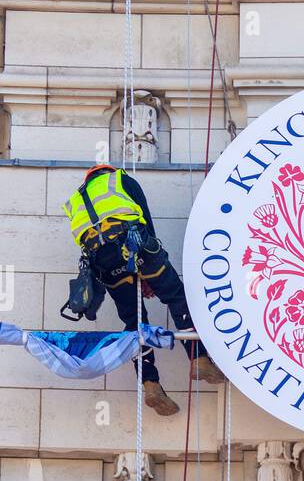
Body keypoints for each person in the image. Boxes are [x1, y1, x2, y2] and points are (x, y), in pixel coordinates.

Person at [62, 164, 222, 415]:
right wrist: (150, 262)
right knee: (175, 295)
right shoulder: (120, 180)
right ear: (107, 172)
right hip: (134, 245)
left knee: (134, 321)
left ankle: (150, 383)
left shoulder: (75, 200)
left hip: (104, 264)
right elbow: (144, 220)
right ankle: (198, 359)